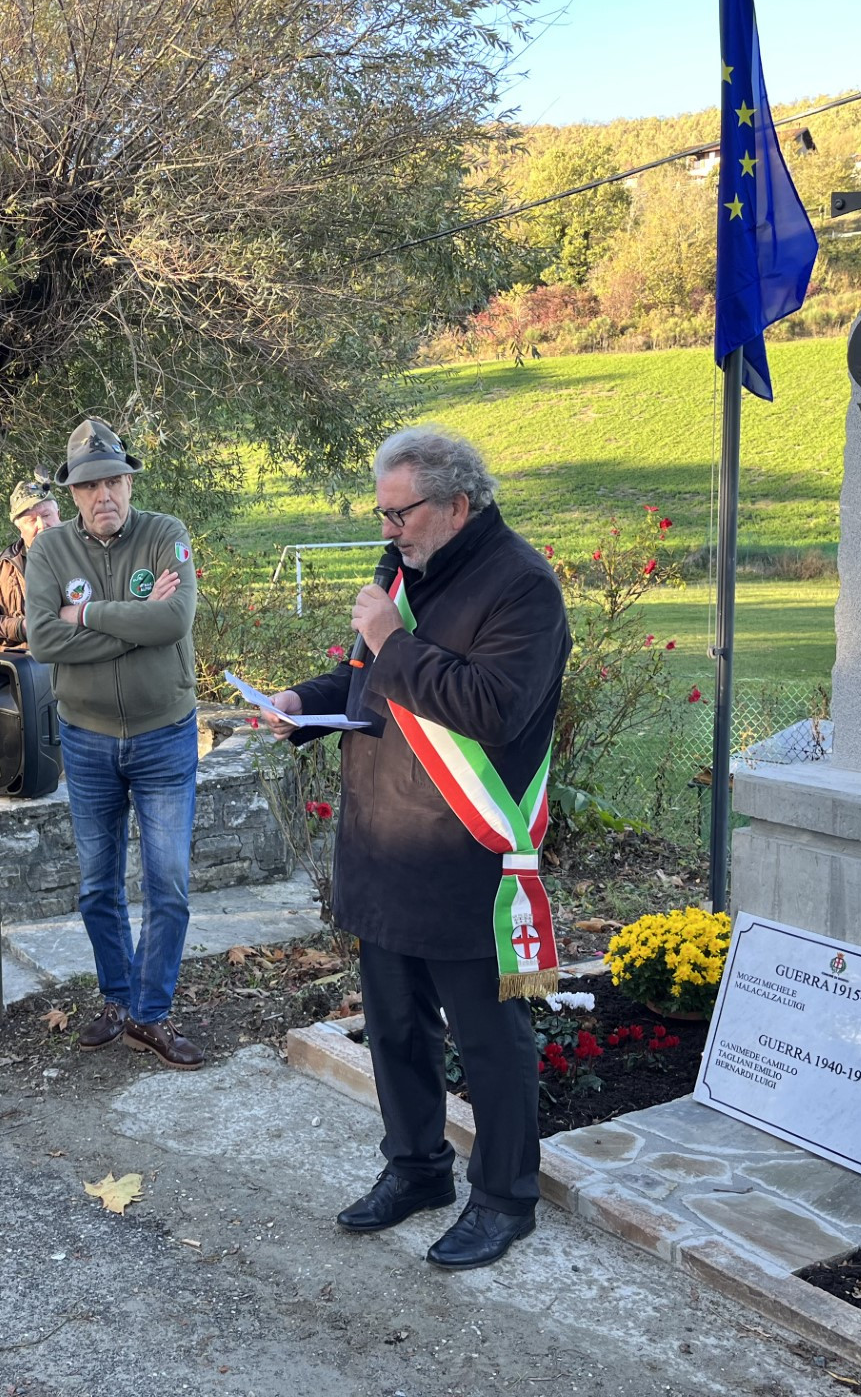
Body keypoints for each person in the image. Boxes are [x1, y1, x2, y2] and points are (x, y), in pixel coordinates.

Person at [265, 426, 570, 1270]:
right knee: (395, 1027)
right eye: (384, 512)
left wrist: (391, 642)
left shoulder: (523, 588)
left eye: (402, 513)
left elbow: (490, 707)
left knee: (487, 1037)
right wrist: (303, 698)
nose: (388, 528)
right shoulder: (403, 567)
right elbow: (370, 678)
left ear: (457, 505)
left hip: (460, 855)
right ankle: (418, 1169)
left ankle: (506, 1198)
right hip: (381, 842)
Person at [24, 418, 204, 1070]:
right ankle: (116, 999)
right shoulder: (48, 554)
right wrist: (137, 626)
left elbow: (174, 618)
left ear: (130, 482)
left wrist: (90, 614)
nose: (105, 495)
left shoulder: (165, 535)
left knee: (170, 884)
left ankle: (150, 1017)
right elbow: (43, 639)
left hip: (165, 738)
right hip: (88, 740)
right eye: (90, 484)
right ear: (72, 493)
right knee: (99, 885)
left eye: (115, 481)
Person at [0, 478, 62, 651]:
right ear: (18, 526)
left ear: (58, 514)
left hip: (77, 667)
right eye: (31, 520)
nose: (42, 525)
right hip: (26, 670)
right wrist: (21, 627)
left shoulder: (85, 554)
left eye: (47, 515)